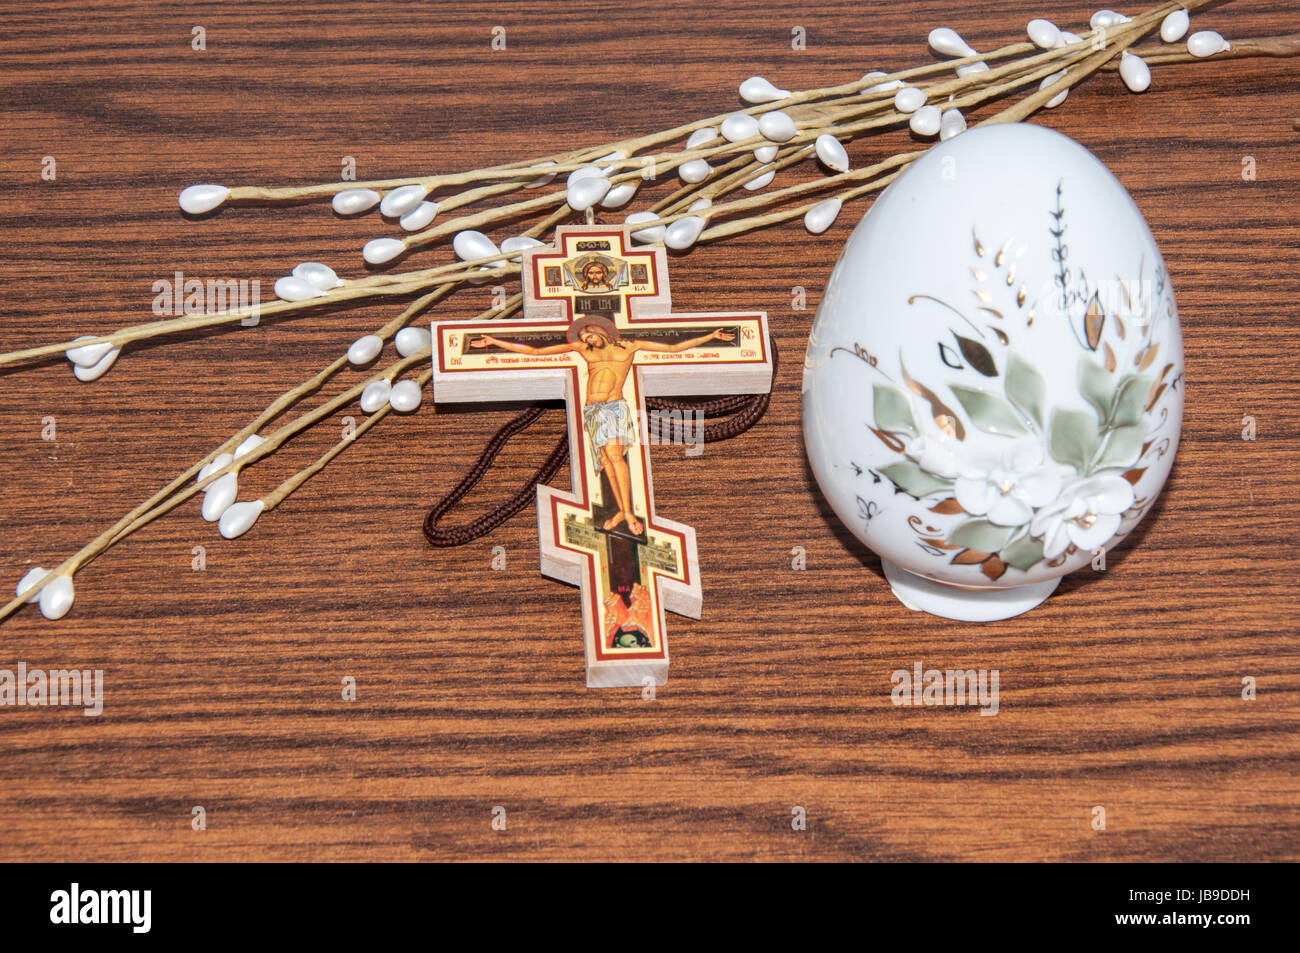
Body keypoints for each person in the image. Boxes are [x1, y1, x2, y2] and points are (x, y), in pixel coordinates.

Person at [471, 315, 734, 534]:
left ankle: (628, 513)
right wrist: (495, 342)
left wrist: (710, 336)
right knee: (607, 461)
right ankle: (621, 510)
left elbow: (674, 348)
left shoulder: (628, 345)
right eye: (585, 339)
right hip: (592, 409)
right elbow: (536, 352)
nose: (589, 342)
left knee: (615, 457)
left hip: (613, 407)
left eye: (591, 337)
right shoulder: (582, 350)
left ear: (600, 332)